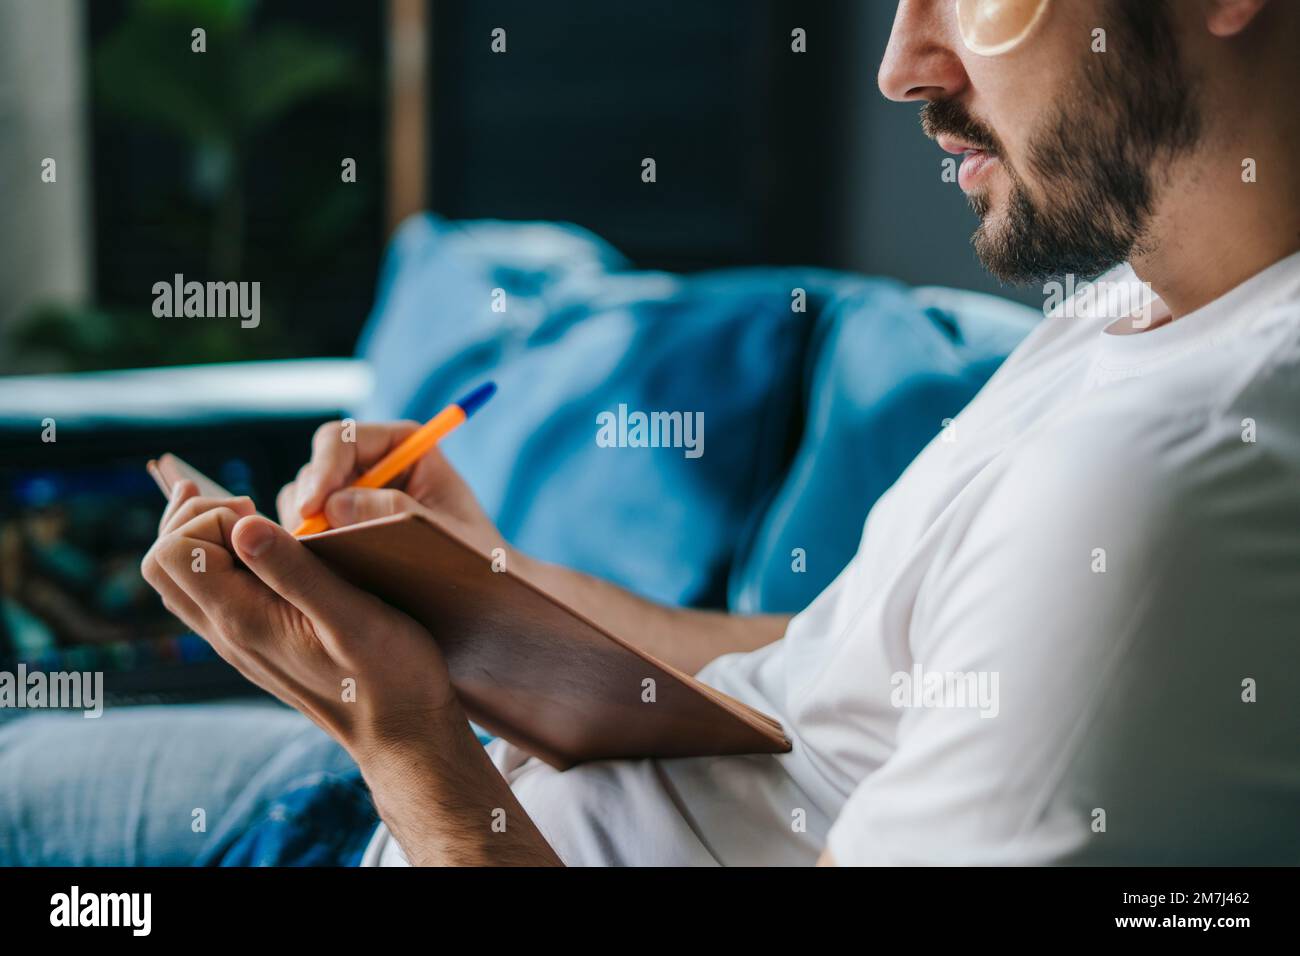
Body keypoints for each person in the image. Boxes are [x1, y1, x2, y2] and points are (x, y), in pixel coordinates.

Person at [3, 0, 1298, 866]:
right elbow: (834, 676)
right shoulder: (1142, 304)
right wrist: (478, 583)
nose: (903, 62)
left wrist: (405, 742)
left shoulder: (1166, 482)